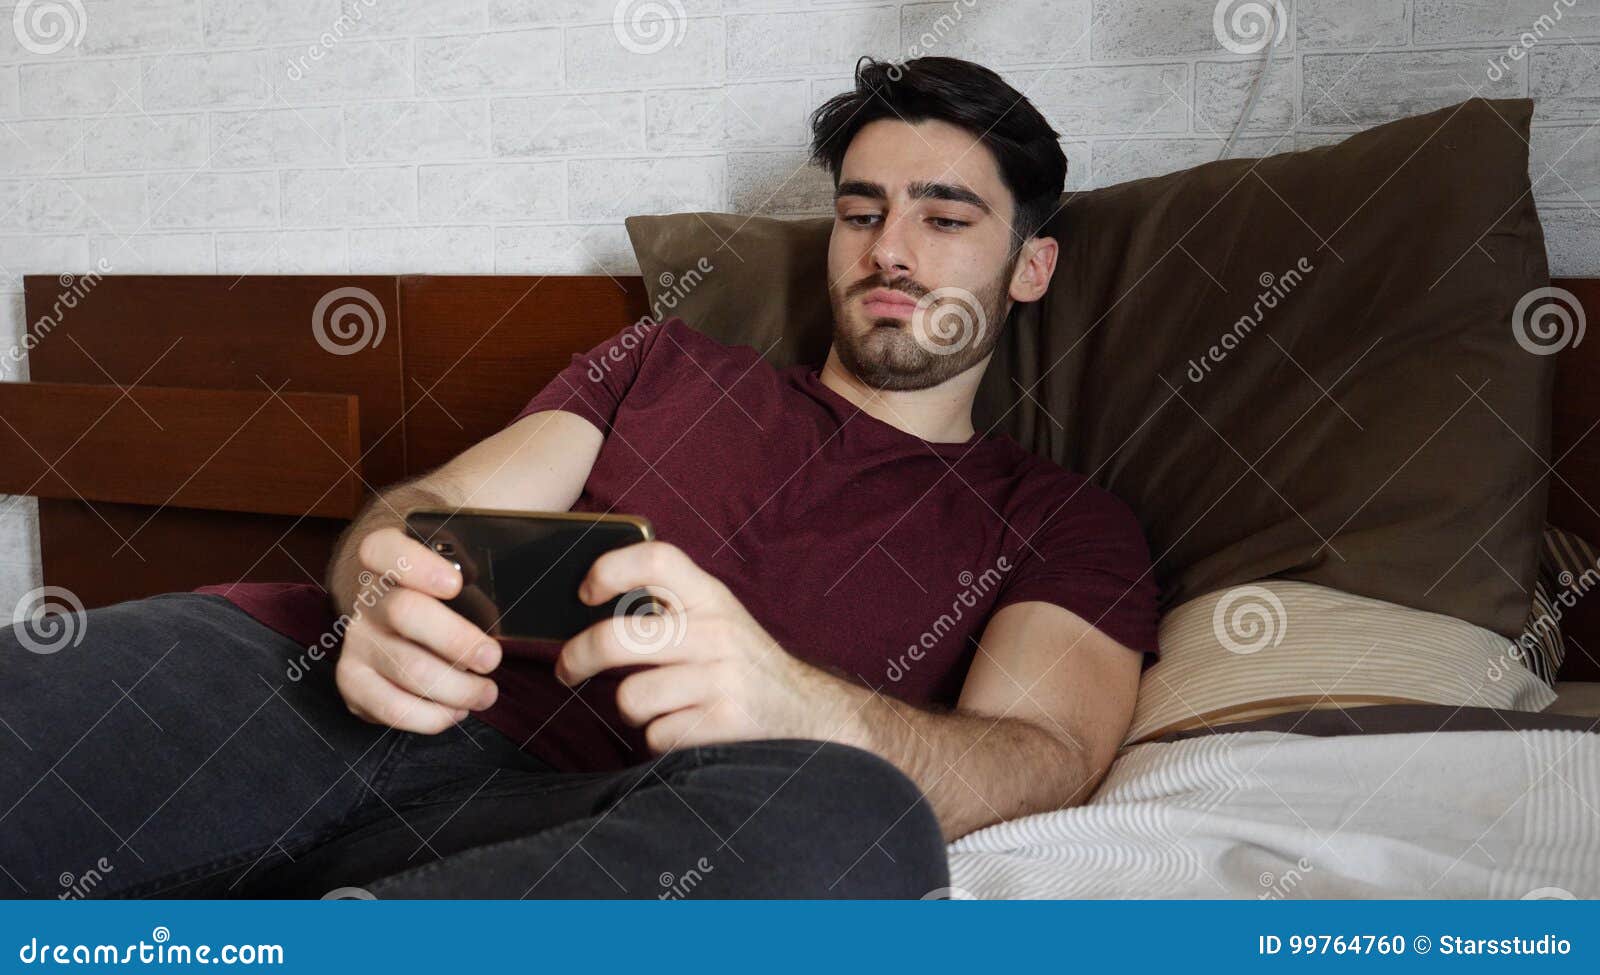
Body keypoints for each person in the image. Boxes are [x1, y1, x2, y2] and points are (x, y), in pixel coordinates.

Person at [0, 56, 1157, 899]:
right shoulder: (666, 361)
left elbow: (1042, 755)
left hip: (625, 819)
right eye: (861, 212)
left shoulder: (1061, 518)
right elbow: (420, 510)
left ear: (1031, 264)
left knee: (851, 826)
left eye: (943, 217)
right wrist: (376, 584)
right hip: (336, 705)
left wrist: (805, 710)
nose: (889, 249)